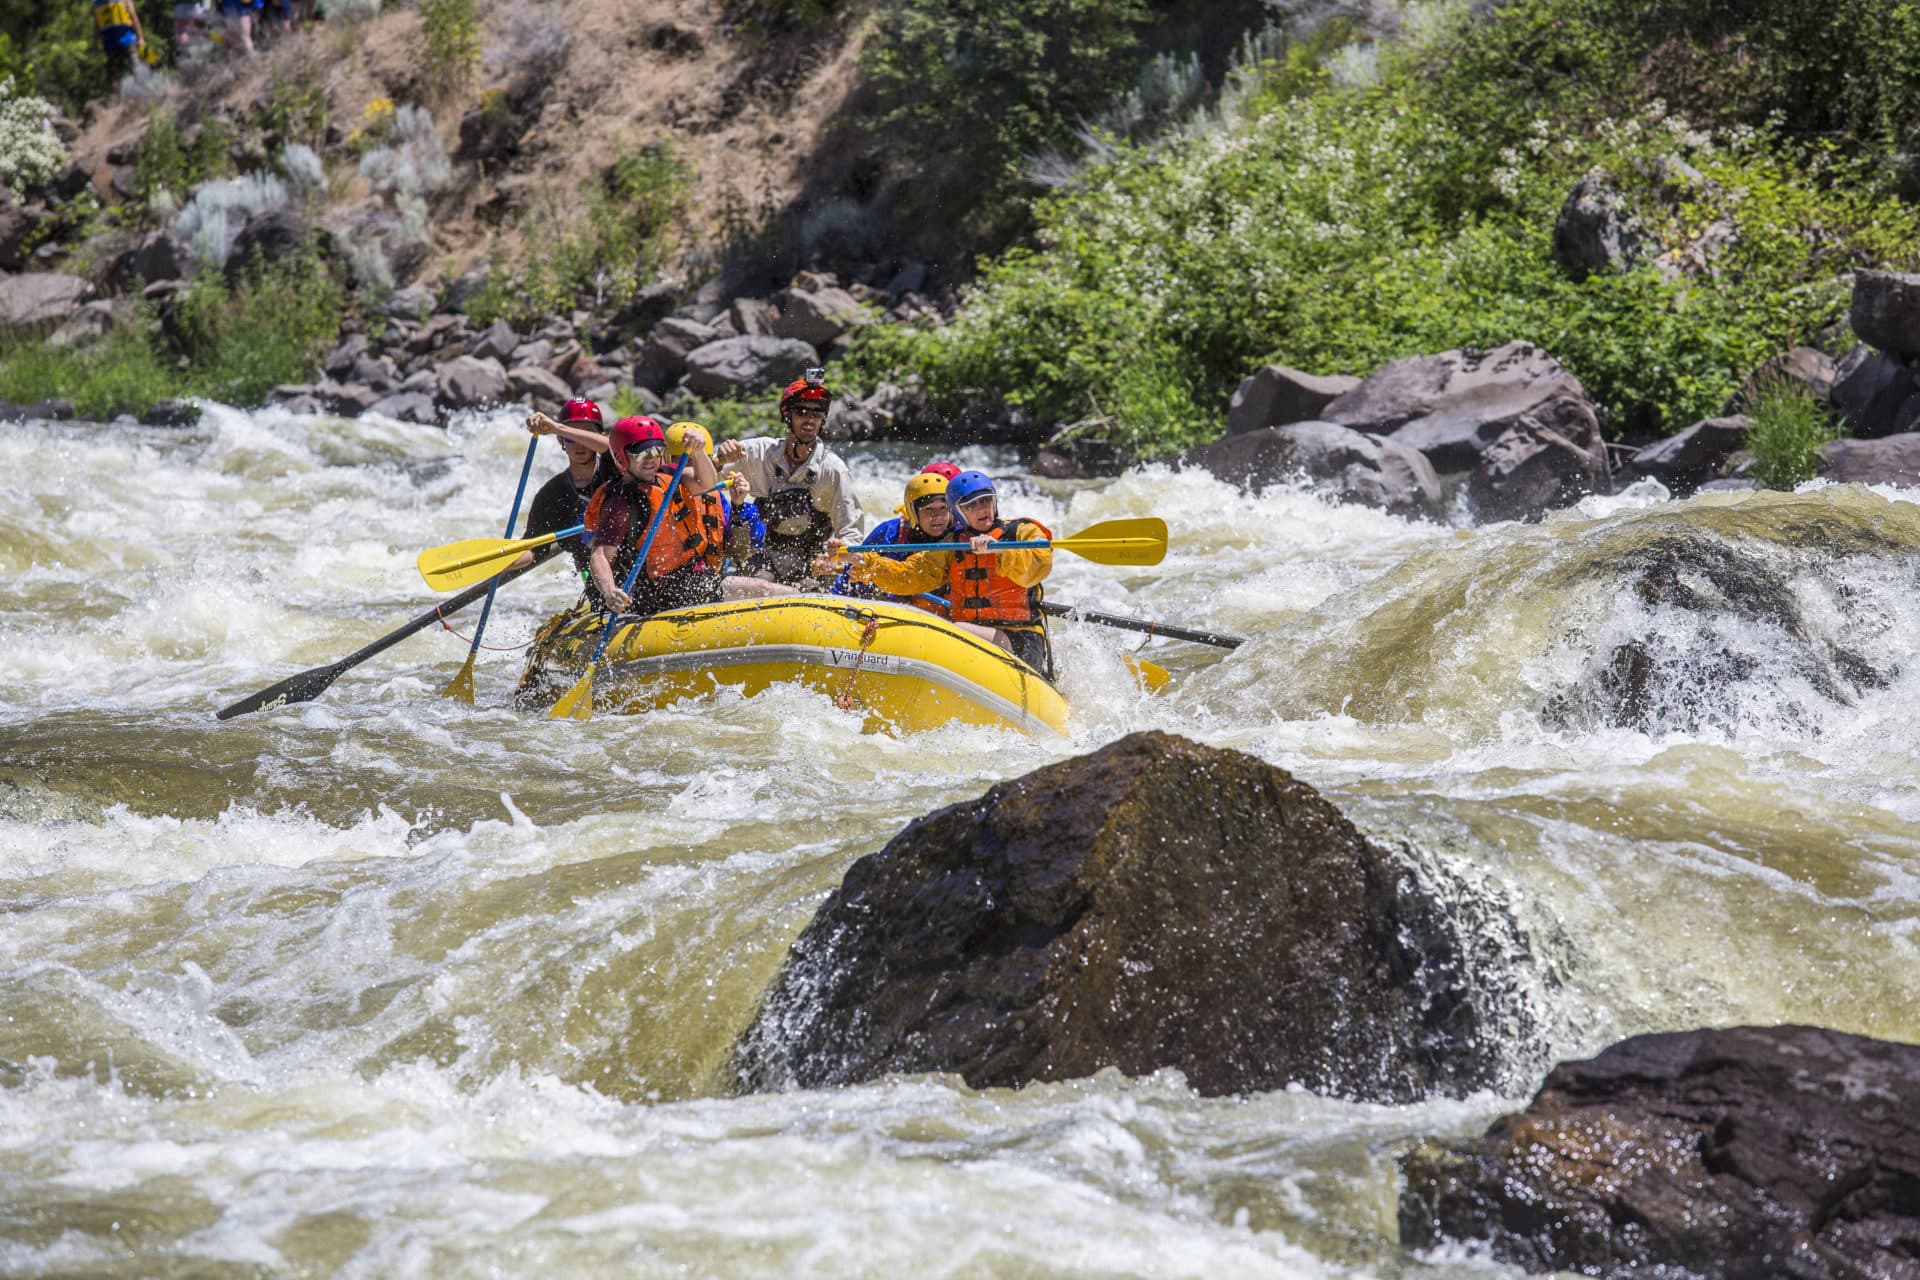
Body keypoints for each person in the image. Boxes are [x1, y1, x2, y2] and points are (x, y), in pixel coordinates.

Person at [821, 469, 1055, 675]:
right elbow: (908, 576)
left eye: (985, 501)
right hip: (976, 639)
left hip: (1020, 640)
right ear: (958, 512)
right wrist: (865, 563)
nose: (981, 509)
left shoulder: (1022, 531)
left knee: (954, 629)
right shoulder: (952, 545)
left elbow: (1038, 568)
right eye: (970, 505)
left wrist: (998, 552)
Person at [713, 367, 862, 586]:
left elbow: (851, 531)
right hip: (762, 557)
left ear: (823, 420)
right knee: (758, 583)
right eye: (802, 412)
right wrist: (719, 460)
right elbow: (705, 480)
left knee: (811, 589)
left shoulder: (833, 470)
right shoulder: (760, 453)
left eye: (816, 414)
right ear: (787, 416)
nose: (809, 420)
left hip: (810, 563)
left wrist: (836, 559)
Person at [583, 415, 729, 617]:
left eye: (657, 450)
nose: (652, 459)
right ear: (621, 456)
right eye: (642, 453)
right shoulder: (620, 503)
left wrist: (698, 452)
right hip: (654, 595)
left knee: (745, 587)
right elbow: (599, 555)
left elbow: (706, 483)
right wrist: (610, 592)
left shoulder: (669, 475)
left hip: (690, 579)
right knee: (732, 587)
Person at [664, 420, 794, 601]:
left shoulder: (714, 498)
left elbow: (743, 552)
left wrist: (738, 506)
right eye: (687, 461)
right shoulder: (660, 494)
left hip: (706, 582)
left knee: (764, 572)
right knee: (775, 591)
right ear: (668, 463)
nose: (695, 469)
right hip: (676, 587)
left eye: (701, 460)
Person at [512, 398, 617, 582]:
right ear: (561, 440)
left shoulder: (614, 470)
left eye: (584, 435)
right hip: (598, 583)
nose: (579, 444)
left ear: (599, 435)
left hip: (639, 570)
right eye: (571, 437)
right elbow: (533, 549)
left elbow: (611, 448)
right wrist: (505, 561)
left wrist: (557, 428)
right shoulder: (551, 494)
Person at [832, 467, 955, 614]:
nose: (938, 516)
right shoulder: (890, 531)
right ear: (913, 512)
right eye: (929, 509)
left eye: (943, 508)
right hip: (895, 602)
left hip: (943, 610)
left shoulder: (961, 536)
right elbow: (850, 577)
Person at [93, 0, 148, 77]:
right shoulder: (97, 2)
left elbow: (133, 16)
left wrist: (141, 38)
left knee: (136, 67)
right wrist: (95, 44)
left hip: (128, 39)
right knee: (115, 74)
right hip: (110, 44)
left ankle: (146, 86)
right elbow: (97, 24)